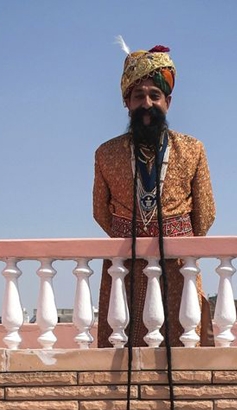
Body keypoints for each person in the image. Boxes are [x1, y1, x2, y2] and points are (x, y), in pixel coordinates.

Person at [93, 43, 216, 348]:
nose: (147, 103)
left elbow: (206, 213)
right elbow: (100, 212)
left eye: (155, 95)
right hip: (124, 270)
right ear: (127, 102)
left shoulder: (192, 149)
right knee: (122, 352)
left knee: (184, 347)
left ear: (168, 102)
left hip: (177, 268)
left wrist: (172, 240)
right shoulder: (106, 154)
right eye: (138, 96)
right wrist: (134, 238)